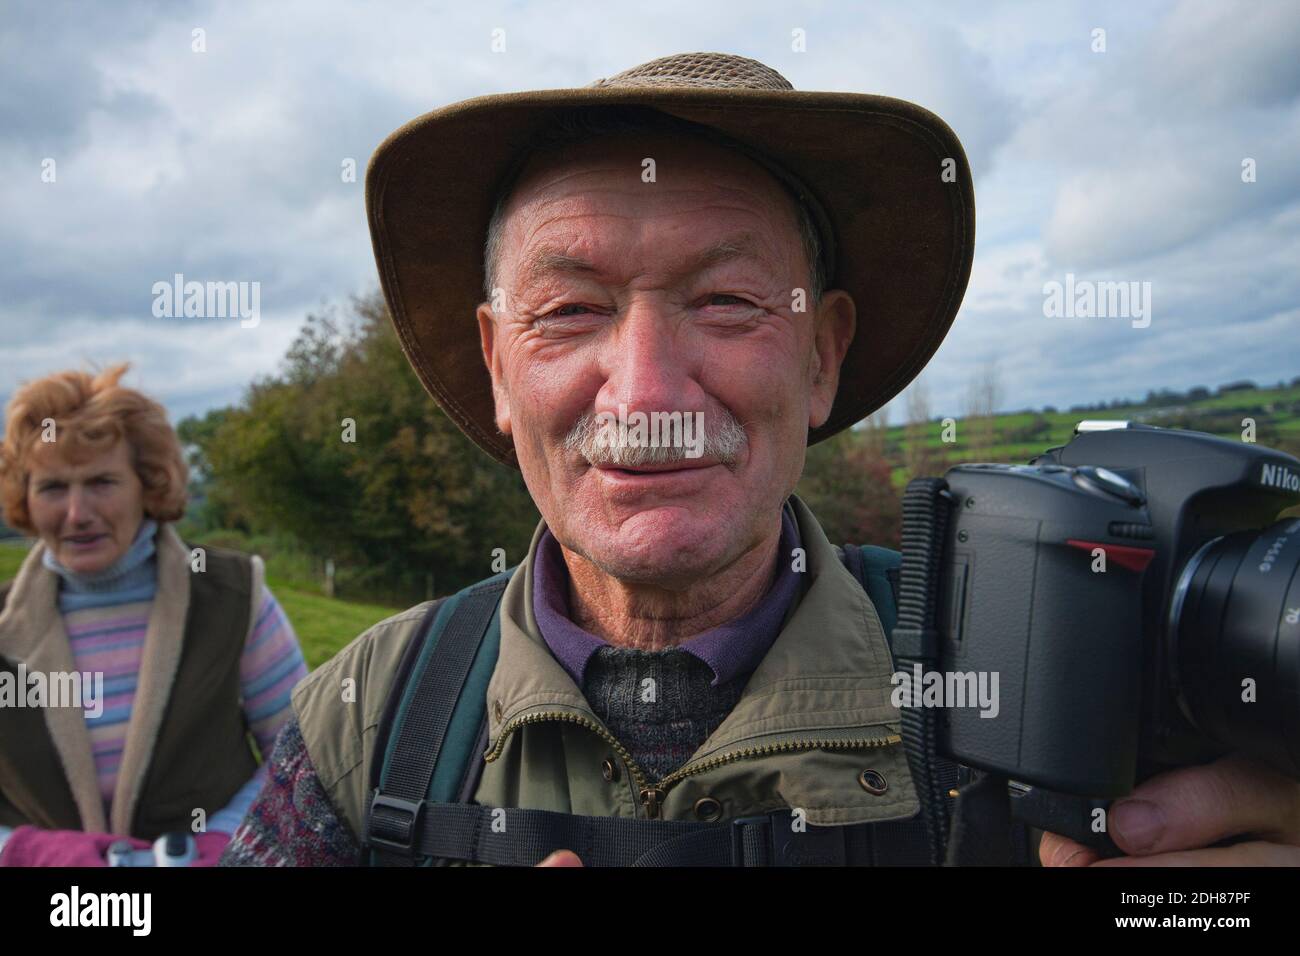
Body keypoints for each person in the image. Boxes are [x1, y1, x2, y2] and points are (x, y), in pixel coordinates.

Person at [220, 51, 1300, 867]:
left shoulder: (1066, 691)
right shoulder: (369, 714)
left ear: (823, 355)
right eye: (568, 308)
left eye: (728, 300)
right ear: (500, 364)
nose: (644, 391)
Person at [0, 364, 308, 865]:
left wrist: (225, 841)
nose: (77, 513)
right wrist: (29, 851)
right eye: (53, 488)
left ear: (147, 484)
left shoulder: (233, 596)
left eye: (101, 481)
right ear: (25, 499)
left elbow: (301, 752)